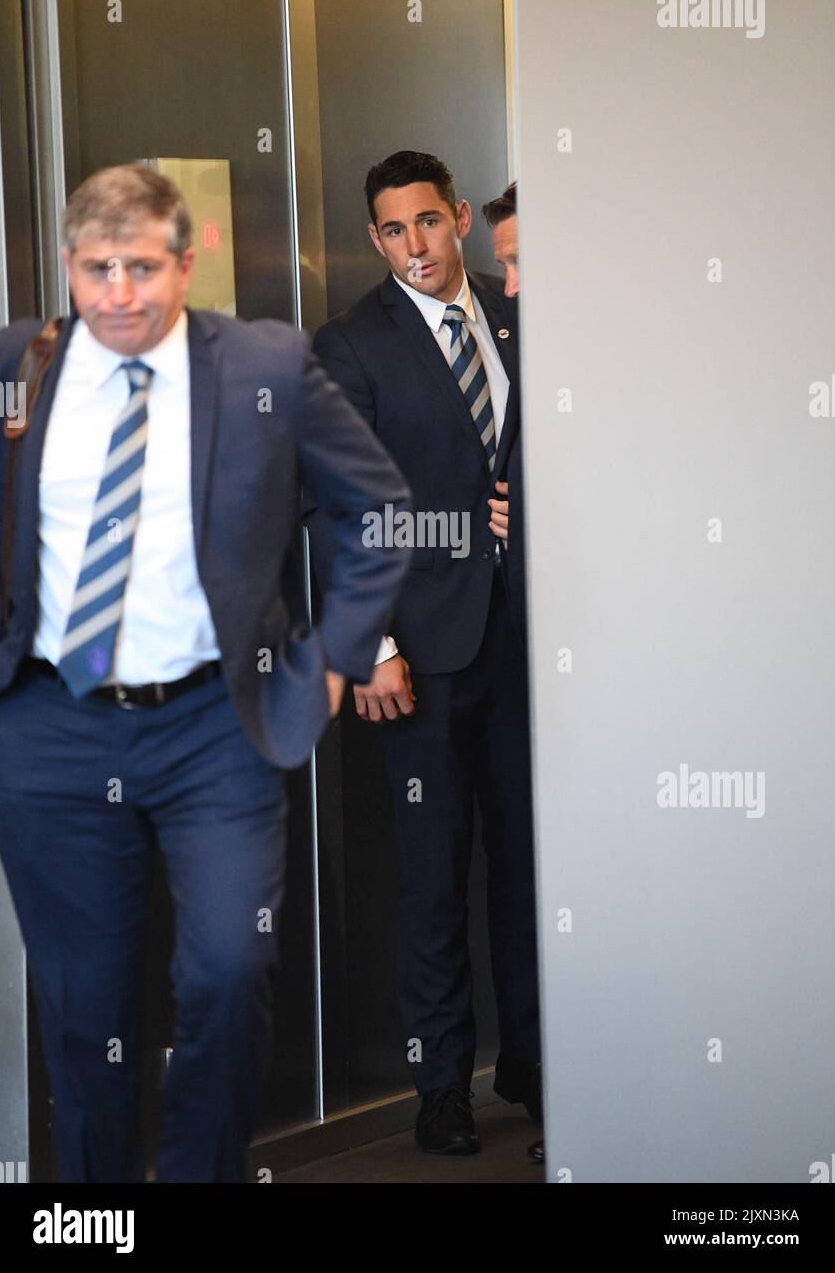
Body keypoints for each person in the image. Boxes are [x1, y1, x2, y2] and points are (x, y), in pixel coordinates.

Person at [0, 163, 412, 1183]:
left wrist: (336, 656)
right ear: (68, 267)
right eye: (98, 269)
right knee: (85, 1008)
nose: (120, 292)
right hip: (50, 726)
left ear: (186, 263)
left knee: (227, 967)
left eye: (143, 266)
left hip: (214, 726)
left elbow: (378, 509)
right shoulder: (11, 363)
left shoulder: (262, 362)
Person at [304, 150, 541, 1157]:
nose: (415, 248)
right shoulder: (352, 344)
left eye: (428, 225)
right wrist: (376, 645)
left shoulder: (517, 308)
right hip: (423, 656)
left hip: (529, 641)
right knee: (433, 877)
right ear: (374, 237)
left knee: (534, 871)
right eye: (392, 231)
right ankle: (440, 1086)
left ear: (454, 217)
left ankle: (535, 1067)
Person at [483, 179, 543, 1165]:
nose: (508, 281)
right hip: (509, 656)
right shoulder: (520, 345)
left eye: (526, 259)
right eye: (501, 260)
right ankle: (544, 1089)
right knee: (525, 873)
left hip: (616, 666)